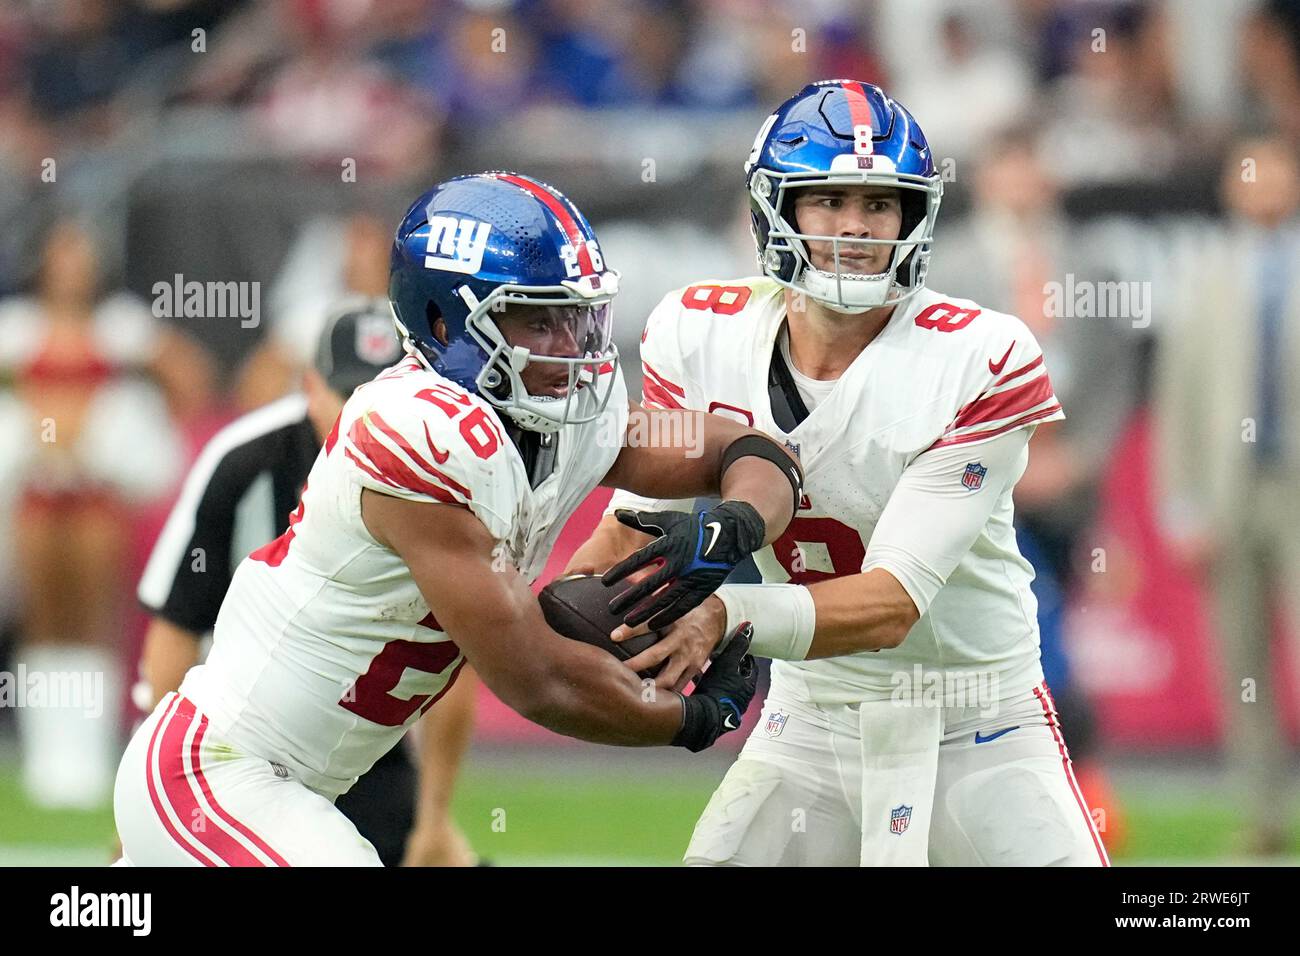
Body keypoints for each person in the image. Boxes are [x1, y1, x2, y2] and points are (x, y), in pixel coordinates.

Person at [113, 171, 801, 866]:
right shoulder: (420, 433)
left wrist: (735, 524)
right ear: (445, 320)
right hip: (215, 775)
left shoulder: (559, 413)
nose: (571, 346)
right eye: (539, 318)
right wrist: (693, 719)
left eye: (576, 315)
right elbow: (538, 679)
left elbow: (737, 449)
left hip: (296, 788)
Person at [568, 80, 1108, 866]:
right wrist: (539, 626)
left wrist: (724, 616)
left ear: (913, 219)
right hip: (813, 717)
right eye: (828, 200)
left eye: (879, 204)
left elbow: (892, 603)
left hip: (977, 721)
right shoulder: (697, 333)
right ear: (775, 209)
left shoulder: (978, 358)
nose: (856, 225)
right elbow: (632, 526)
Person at [134, 296, 478, 866]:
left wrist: (435, 816)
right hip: (235, 740)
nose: (362, 418)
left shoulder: (432, 478)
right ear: (310, 387)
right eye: (348, 396)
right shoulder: (243, 462)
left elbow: (455, 655)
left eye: (380, 397)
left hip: (366, 752)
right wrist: (147, 802)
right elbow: (177, 626)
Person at [0, 217, 212, 808]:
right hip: (37, 490)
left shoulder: (120, 328)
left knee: (95, 616)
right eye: (63, 254)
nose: (74, 266)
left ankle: (89, 756)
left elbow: (188, 374)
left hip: (96, 491)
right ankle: (48, 757)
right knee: (44, 614)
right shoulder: (18, 329)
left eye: (82, 254)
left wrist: (138, 421)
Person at [1154, 133, 1300, 855]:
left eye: (1277, 167)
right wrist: (1181, 503)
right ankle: (1264, 814)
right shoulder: (1206, 274)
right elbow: (1178, 396)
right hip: (1227, 493)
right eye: (1251, 169)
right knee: (1241, 663)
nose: (1265, 181)